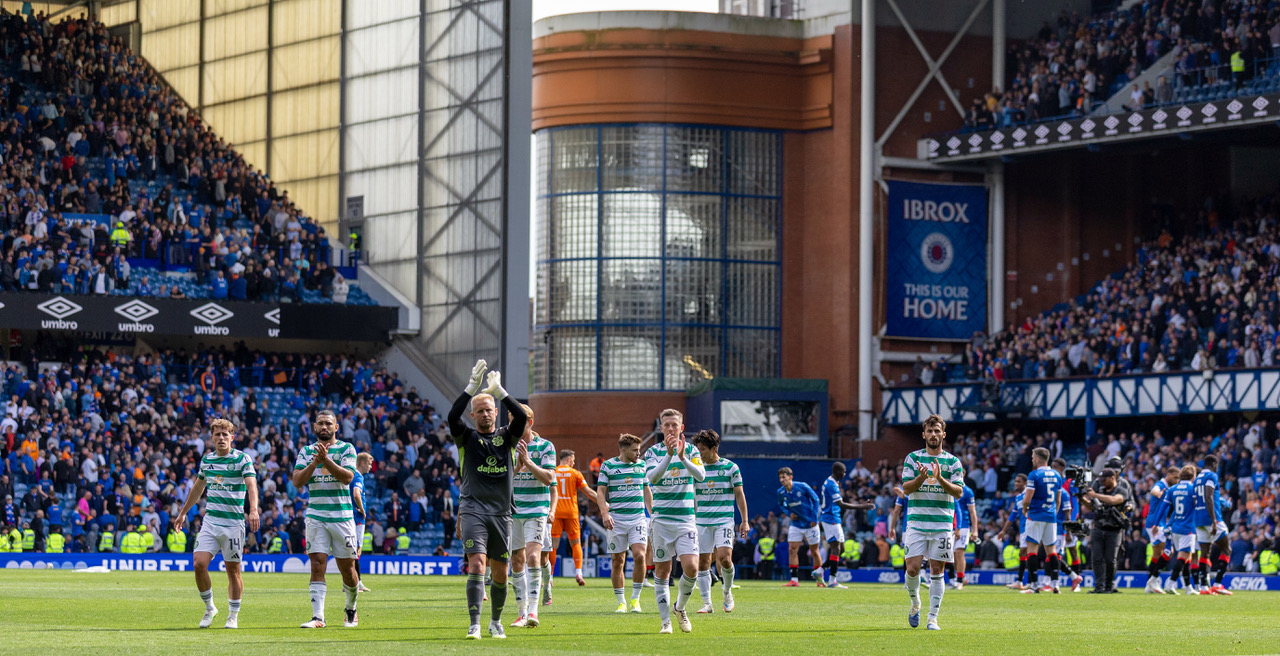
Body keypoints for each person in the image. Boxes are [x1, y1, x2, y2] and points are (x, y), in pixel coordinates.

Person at [448, 360, 527, 640]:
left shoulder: (508, 439)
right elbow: (452, 417)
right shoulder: (466, 438)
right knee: (477, 564)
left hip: (502, 514)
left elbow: (522, 418)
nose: (484, 414)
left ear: (496, 412)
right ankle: (474, 624)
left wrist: (500, 391)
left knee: (501, 574)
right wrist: (471, 388)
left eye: (488, 409)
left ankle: (496, 621)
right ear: (473, 415)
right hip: (472, 511)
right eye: (478, 411)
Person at [173, 418, 260, 629]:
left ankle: (233, 615)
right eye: (217, 434)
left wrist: (254, 510)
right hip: (211, 522)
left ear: (232, 437)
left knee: (233, 571)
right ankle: (210, 607)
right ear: (211, 438)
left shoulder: (242, 459)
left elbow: (251, 485)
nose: (221, 438)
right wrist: (183, 513)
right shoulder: (207, 460)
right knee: (199, 564)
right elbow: (197, 489)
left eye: (225, 434)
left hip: (233, 524)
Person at [291, 410, 361, 628]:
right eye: (320, 423)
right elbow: (297, 481)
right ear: (314, 427)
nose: (324, 427)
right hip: (316, 516)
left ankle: (351, 607)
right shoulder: (306, 451)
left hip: (341, 516)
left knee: (348, 570)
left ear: (336, 427)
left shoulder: (347, 448)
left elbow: (348, 477)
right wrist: (315, 462)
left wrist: (326, 460)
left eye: (328, 423)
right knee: (317, 564)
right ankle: (318, 617)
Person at [644, 408, 705, 634]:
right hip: (661, 521)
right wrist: (669, 456)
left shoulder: (691, 450)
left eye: (674, 424)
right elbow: (651, 478)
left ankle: (680, 608)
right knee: (663, 572)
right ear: (661, 428)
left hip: (686, 519)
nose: (671, 428)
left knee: (691, 567)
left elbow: (700, 475)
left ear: (682, 427)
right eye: (666, 424)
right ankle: (665, 622)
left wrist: (682, 458)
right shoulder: (652, 452)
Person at [900, 414, 964, 630]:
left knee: (937, 569)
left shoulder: (953, 461)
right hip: (916, 523)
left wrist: (939, 479)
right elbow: (906, 489)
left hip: (942, 525)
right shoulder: (912, 459)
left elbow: (959, 492)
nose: (933, 434)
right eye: (930, 431)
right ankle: (915, 602)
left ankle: (932, 618)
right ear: (924, 434)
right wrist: (921, 477)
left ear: (943, 434)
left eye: (937, 431)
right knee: (912, 569)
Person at [508, 403, 557, 629]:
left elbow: (548, 479)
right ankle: (520, 612)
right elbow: (501, 479)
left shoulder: (546, 446)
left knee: (534, 557)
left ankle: (533, 611)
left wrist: (527, 462)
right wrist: (517, 467)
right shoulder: (506, 446)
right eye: (511, 418)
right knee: (516, 560)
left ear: (530, 422)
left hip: (537, 509)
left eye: (518, 419)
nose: (513, 422)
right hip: (512, 510)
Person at [691, 429, 747, 613]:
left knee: (724, 559)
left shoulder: (731, 468)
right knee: (702, 562)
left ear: (714, 448)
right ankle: (707, 603)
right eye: (698, 449)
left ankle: (727, 592)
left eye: (703, 449)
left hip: (724, 520)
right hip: (702, 522)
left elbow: (739, 495)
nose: (700, 453)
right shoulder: (696, 469)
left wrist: (744, 521)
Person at [597, 433, 652, 613]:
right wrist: (605, 514)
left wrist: (653, 515)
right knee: (617, 561)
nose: (638, 453)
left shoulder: (642, 466)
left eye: (639, 450)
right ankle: (621, 602)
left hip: (637, 518)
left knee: (640, 555)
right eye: (635, 450)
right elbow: (600, 492)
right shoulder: (608, 466)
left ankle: (635, 599)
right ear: (623, 450)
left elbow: (646, 492)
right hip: (617, 520)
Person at [818, 461, 873, 590]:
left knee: (841, 550)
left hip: (834, 518)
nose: (845, 474)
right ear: (838, 472)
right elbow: (841, 504)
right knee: (836, 550)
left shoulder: (831, 482)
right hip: (831, 518)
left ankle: (820, 570)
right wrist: (863, 506)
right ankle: (832, 580)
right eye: (843, 472)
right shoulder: (832, 484)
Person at [549, 450, 599, 590]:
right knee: (576, 543)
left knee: (553, 545)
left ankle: (550, 577)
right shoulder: (575, 473)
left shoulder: (552, 472)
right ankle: (578, 573)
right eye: (574, 460)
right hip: (571, 512)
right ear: (569, 459)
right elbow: (588, 492)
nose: (574, 462)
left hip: (556, 511)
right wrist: (602, 502)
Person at [1021, 448, 1062, 594]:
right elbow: (1058, 500)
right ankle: (1055, 584)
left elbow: (1027, 498)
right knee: (1052, 551)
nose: (1032, 459)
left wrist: (1025, 509)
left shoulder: (1034, 475)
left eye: (1033, 456)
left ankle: (1033, 585)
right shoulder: (1057, 475)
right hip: (1051, 517)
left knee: (1032, 550)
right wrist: (1053, 514)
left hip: (1036, 515)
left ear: (1038, 458)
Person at [1085, 467, 1131, 593]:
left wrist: (1094, 495)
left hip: (1114, 529)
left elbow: (1114, 500)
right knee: (1096, 558)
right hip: (1099, 527)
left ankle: (1109, 586)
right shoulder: (1100, 490)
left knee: (1111, 559)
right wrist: (1082, 498)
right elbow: (1091, 507)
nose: (1102, 482)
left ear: (1112, 478)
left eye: (1104, 480)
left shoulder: (1121, 490)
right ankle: (1099, 586)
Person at [1193, 454, 1233, 595]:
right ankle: (1217, 584)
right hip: (1211, 518)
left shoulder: (1197, 478)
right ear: (1214, 465)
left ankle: (1204, 587)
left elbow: (1195, 499)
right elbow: (1208, 497)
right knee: (1227, 549)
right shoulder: (1211, 476)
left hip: (1198, 519)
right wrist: (1214, 521)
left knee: (1205, 552)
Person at [777, 467, 823, 587]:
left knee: (814, 551)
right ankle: (794, 580)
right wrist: (788, 514)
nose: (782, 480)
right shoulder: (781, 492)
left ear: (790, 477)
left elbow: (816, 499)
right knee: (792, 549)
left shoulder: (802, 486)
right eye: (780, 477)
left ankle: (819, 580)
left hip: (810, 524)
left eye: (784, 477)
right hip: (796, 525)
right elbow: (781, 505)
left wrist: (814, 518)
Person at [1144, 466, 1180, 593]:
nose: (1177, 480)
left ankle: (1149, 584)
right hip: (1156, 524)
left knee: (1157, 554)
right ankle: (1153, 580)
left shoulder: (1169, 487)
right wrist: (1157, 493)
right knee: (1168, 550)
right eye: (1175, 477)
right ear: (1168, 474)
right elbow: (1154, 490)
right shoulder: (1161, 484)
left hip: (1156, 523)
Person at [1164, 465, 1199, 594]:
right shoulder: (1193, 489)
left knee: (1187, 557)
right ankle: (1171, 582)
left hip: (1176, 527)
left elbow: (1168, 508)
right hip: (1187, 527)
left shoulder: (1173, 489)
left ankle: (1188, 587)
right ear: (1193, 476)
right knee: (1183, 557)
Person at [1000, 474, 1028, 589]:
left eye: (1019, 481)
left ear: (1025, 483)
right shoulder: (1018, 498)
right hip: (1023, 530)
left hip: (1031, 527)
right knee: (1025, 554)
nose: (1016, 483)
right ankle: (1022, 582)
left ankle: (1029, 581)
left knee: (1027, 553)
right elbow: (1012, 517)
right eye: (1015, 481)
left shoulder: (1029, 494)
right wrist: (1003, 531)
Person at [352, 452, 373, 593]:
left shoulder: (350, 474)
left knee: (351, 551)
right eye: (370, 464)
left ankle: (351, 582)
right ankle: (356, 583)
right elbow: (356, 493)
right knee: (356, 551)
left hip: (350, 518)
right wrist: (363, 511)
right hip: (358, 519)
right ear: (363, 463)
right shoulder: (358, 476)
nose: (371, 467)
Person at [950, 482, 977, 590]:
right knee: (950, 555)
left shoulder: (967, 491)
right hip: (950, 525)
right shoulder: (948, 487)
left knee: (959, 553)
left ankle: (960, 581)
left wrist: (975, 530)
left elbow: (972, 511)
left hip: (964, 526)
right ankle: (959, 577)